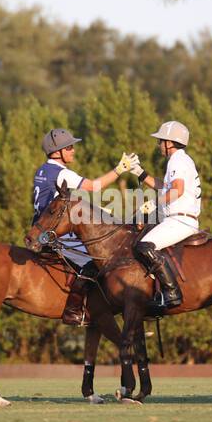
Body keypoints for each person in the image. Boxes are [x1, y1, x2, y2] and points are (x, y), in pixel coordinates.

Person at [32, 128, 135, 325]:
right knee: (96, 259)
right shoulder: (62, 174)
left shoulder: (42, 170)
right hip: (55, 235)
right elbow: (94, 187)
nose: (73, 150)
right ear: (58, 151)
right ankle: (74, 310)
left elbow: (72, 204)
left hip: (40, 229)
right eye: (69, 147)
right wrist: (119, 169)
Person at [129, 120, 201, 312]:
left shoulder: (177, 160)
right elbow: (165, 186)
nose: (159, 145)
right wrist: (140, 173)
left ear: (170, 143)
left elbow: (177, 190)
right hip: (175, 218)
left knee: (144, 246)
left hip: (180, 220)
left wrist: (153, 203)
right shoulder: (179, 160)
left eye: (161, 141)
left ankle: (171, 293)